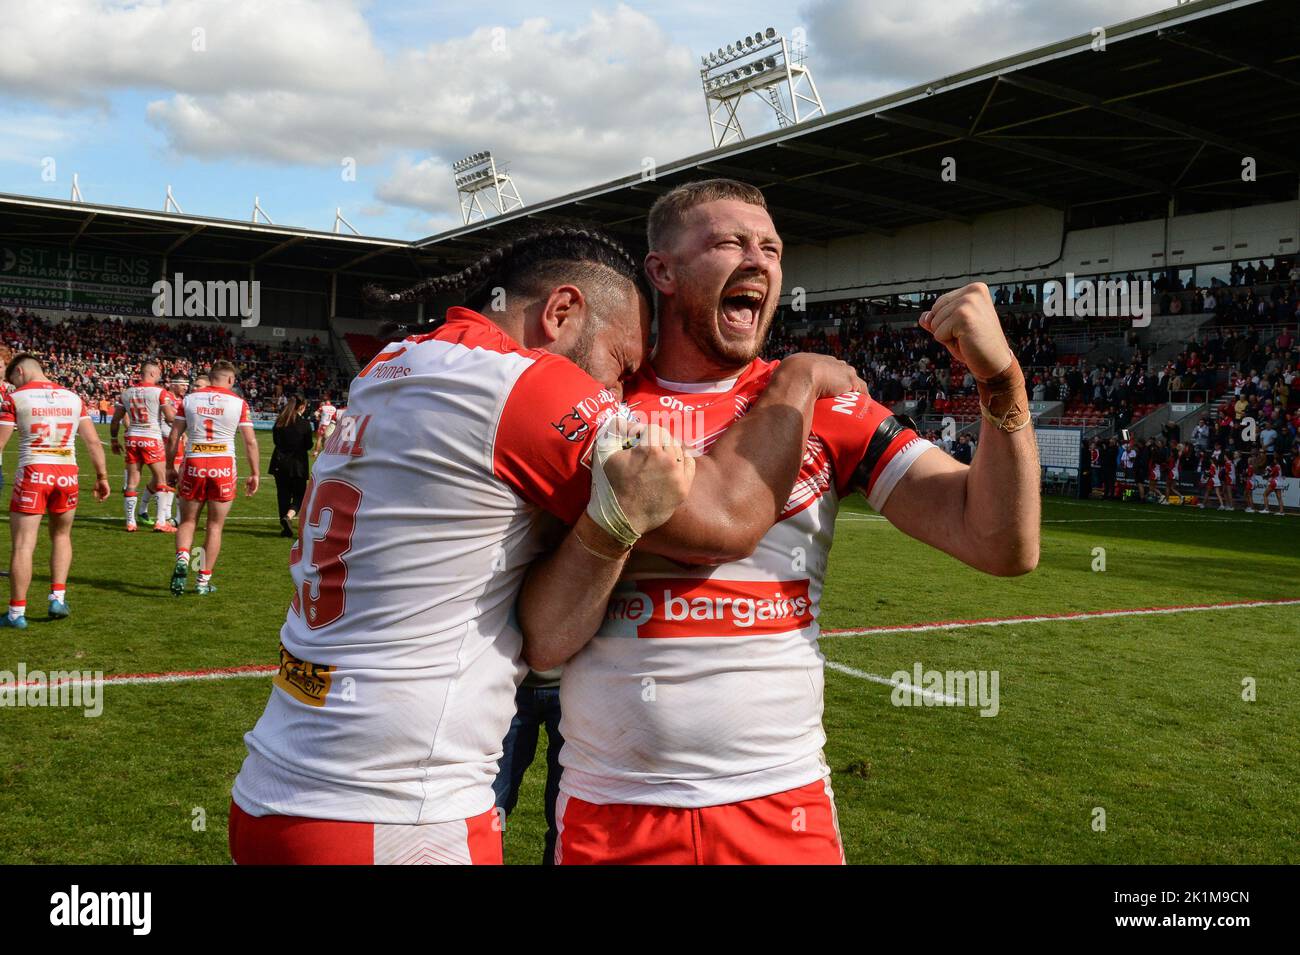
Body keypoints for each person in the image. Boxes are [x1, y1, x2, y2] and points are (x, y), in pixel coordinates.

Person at [226, 227, 861, 866]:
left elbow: (547, 639)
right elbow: (727, 519)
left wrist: (607, 531)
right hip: (393, 810)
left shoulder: (394, 363)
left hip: (278, 784)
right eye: (619, 363)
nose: (617, 392)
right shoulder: (515, 385)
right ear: (562, 314)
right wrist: (797, 382)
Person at [520, 180, 1040, 865]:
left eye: (771, 247)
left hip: (781, 811)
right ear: (663, 270)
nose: (759, 260)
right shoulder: (594, 402)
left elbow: (1000, 541)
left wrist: (1002, 383)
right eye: (730, 242)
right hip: (612, 813)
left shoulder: (827, 406)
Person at [0, 354, 110, 627]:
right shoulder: (73, 398)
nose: (12, 385)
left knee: (24, 544)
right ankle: (57, 598)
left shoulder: (15, 398)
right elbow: (94, 442)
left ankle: (16, 614)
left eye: (13, 379)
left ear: (22, 372)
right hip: (67, 472)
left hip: (34, 471)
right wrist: (102, 476)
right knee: (62, 536)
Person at [165, 361, 260, 596]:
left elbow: (174, 435)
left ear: (211, 377)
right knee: (214, 526)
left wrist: (169, 466)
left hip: (195, 460)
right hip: (223, 463)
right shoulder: (238, 403)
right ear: (230, 380)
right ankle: (202, 581)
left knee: (188, 521)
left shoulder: (189, 399)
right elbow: (250, 441)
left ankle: (184, 558)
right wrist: (255, 473)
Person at [110, 360, 177, 532]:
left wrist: (113, 440)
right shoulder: (160, 392)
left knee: (132, 482)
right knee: (161, 480)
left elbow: (115, 420)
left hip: (132, 438)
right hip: (151, 438)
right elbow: (170, 418)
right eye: (159, 373)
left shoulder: (126, 393)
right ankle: (161, 521)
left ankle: (130, 522)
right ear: (153, 373)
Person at [269, 396, 312, 538]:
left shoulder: (280, 422)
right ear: (302, 407)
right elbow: (308, 445)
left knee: (283, 495)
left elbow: (276, 441)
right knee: (300, 495)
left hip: (279, 463)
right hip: (297, 464)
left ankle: (285, 525)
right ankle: (289, 515)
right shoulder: (305, 424)